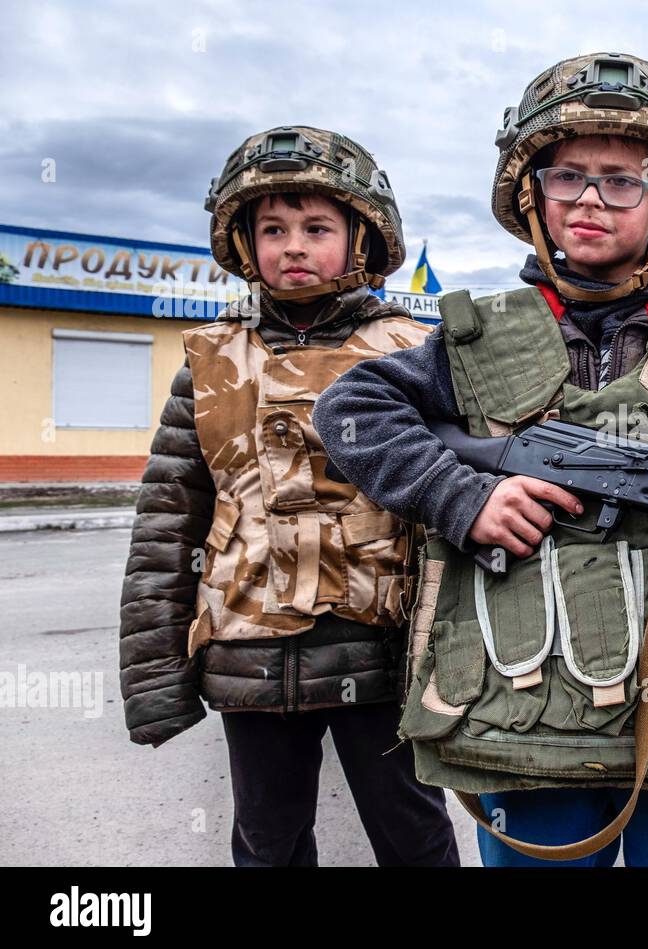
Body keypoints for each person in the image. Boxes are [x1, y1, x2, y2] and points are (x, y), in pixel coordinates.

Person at [314, 55, 648, 867]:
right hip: (525, 729)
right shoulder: (476, 338)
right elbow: (349, 410)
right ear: (533, 196)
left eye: (622, 180)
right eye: (567, 177)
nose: (591, 199)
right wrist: (461, 496)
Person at [118, 126, 459, 867]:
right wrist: (155, 678)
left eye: (316, 228)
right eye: (272, 229)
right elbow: (167, 524)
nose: (292, 246)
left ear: (362, 237)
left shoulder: (416, 353)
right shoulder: (209, 364)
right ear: (245, 243)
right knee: (267, 844)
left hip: (383, 655)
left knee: (415, 839)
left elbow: (458, 501)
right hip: (249, 659)